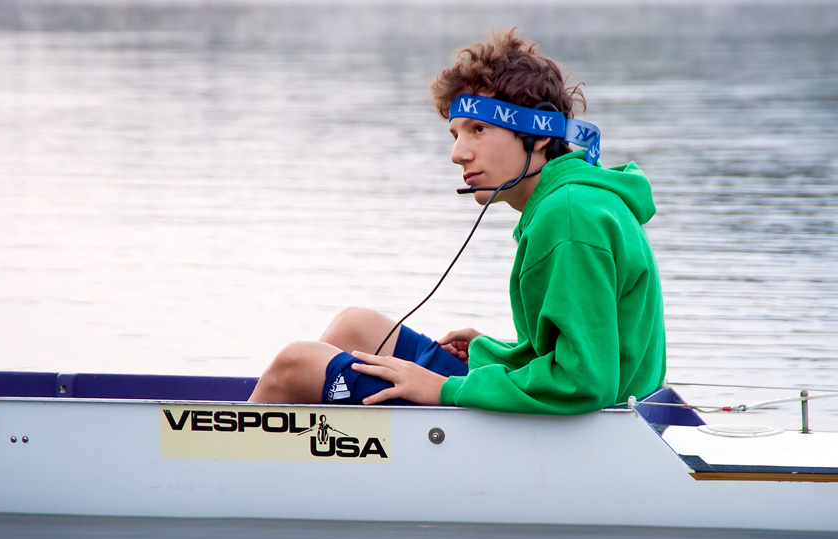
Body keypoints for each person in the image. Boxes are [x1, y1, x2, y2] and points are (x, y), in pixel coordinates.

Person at [248, 29, 666, 414]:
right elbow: (582, 353)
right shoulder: (576, 201)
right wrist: (494, 352)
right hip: (574, 413)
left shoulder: (568, 218)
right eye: (456, 135)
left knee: (294, 365)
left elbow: (585, 382)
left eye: (478, 129)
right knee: (355, 326)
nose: (458, 154)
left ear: (538, 135)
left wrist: (442, 389)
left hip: (586, 432)